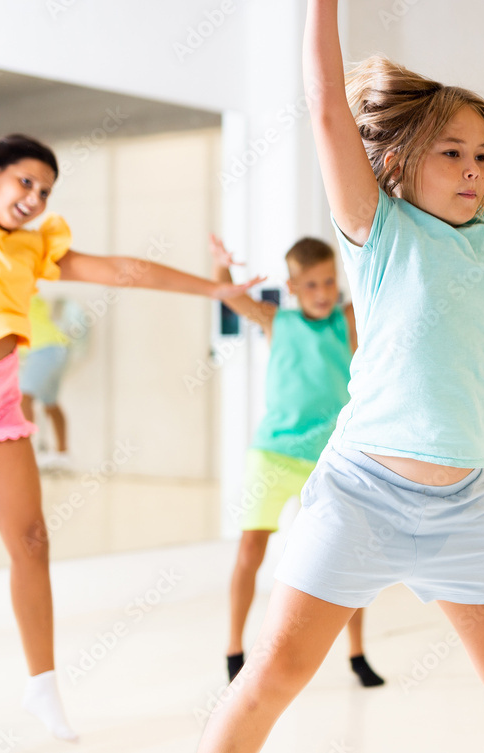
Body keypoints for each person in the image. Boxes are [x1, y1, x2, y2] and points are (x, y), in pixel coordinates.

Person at [0, 4, 263, 751]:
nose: (34, 199)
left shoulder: (35, 249)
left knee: (31, 539)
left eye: (46, 191)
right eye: (26, 182)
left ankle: (43, 690)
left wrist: (217, 289)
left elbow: (125, 270)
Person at [196, 1, 484, 749]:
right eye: (452, 152)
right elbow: (324, 105)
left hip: (464, 506)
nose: (474, 169)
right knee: (277, 670)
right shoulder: (378, 228)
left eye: (480, 154)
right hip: (362, 495)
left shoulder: (482, 230)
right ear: (397, 161)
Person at [209, 234, 384, 688]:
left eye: (329, 281)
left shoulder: (346, 321)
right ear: (291, 286)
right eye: (311, 285)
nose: (323, 292)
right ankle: (233, 646)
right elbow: (234, 300)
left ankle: (358, 653)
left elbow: (381, 285)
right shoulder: (276, 320)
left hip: (330, 459)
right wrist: (221, 267)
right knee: (251, 548)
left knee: (348, 556)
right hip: (273, 455)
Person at [19, 295, 71, 471]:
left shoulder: (19, 295)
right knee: (51, 403)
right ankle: (63, 455)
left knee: (24, 397)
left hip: (43, 349)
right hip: (57, 347)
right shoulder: (31, 296)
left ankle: (26, 452)